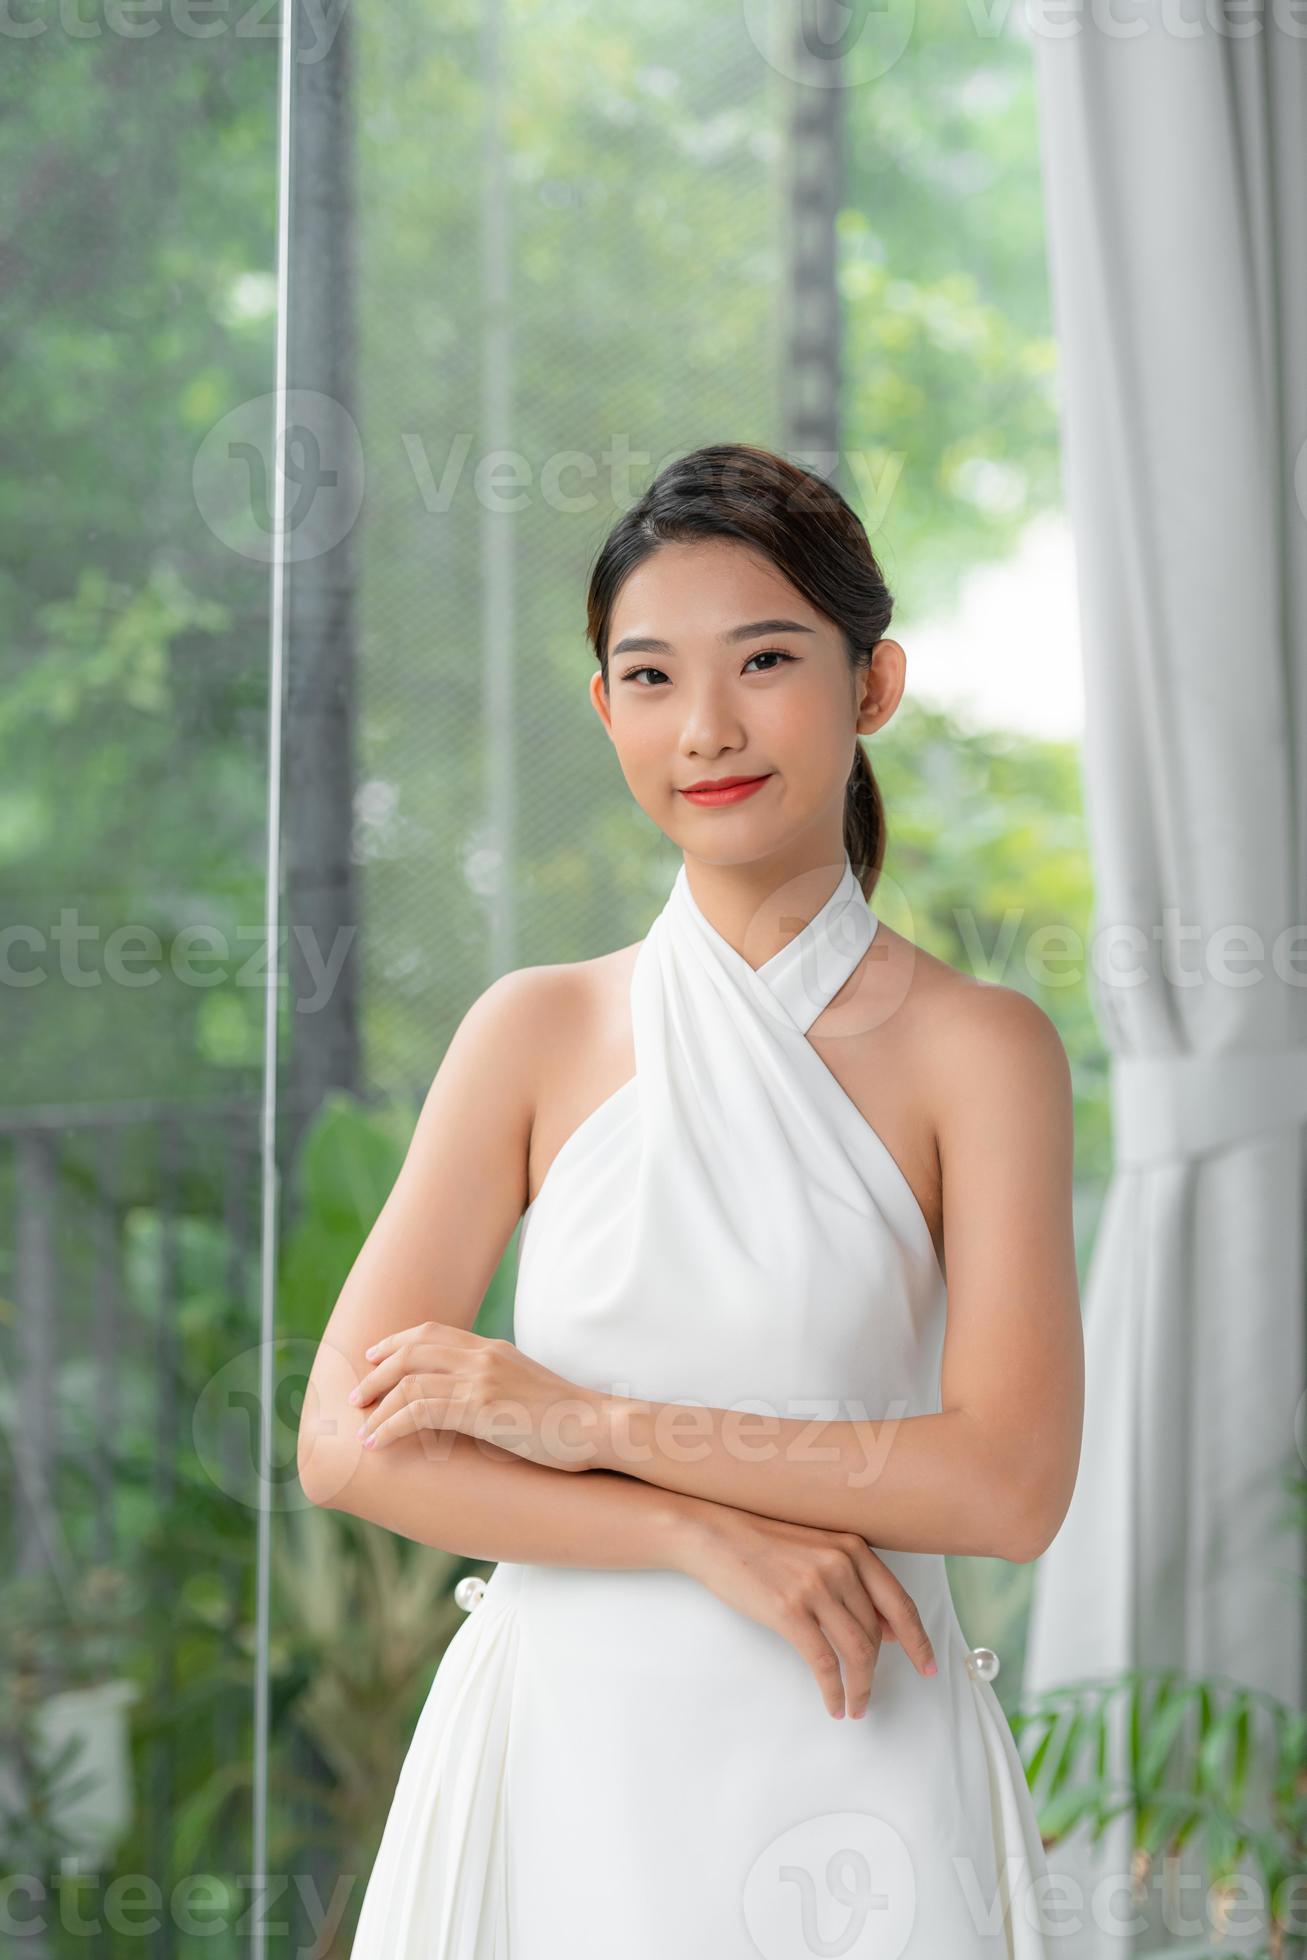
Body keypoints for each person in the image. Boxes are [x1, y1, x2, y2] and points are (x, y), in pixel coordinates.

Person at [299, 442, 1084, 1958]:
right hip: (562, 1760)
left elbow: (1007, 1485)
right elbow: (345, 1443)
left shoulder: (980, 1051)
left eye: (767, 661)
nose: (707, 728)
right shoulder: (532, 1032)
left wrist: (593, 1426)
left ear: (872, 685)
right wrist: (695, 1536)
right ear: (604, 709)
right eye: (649, 678)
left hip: (855, 1754)